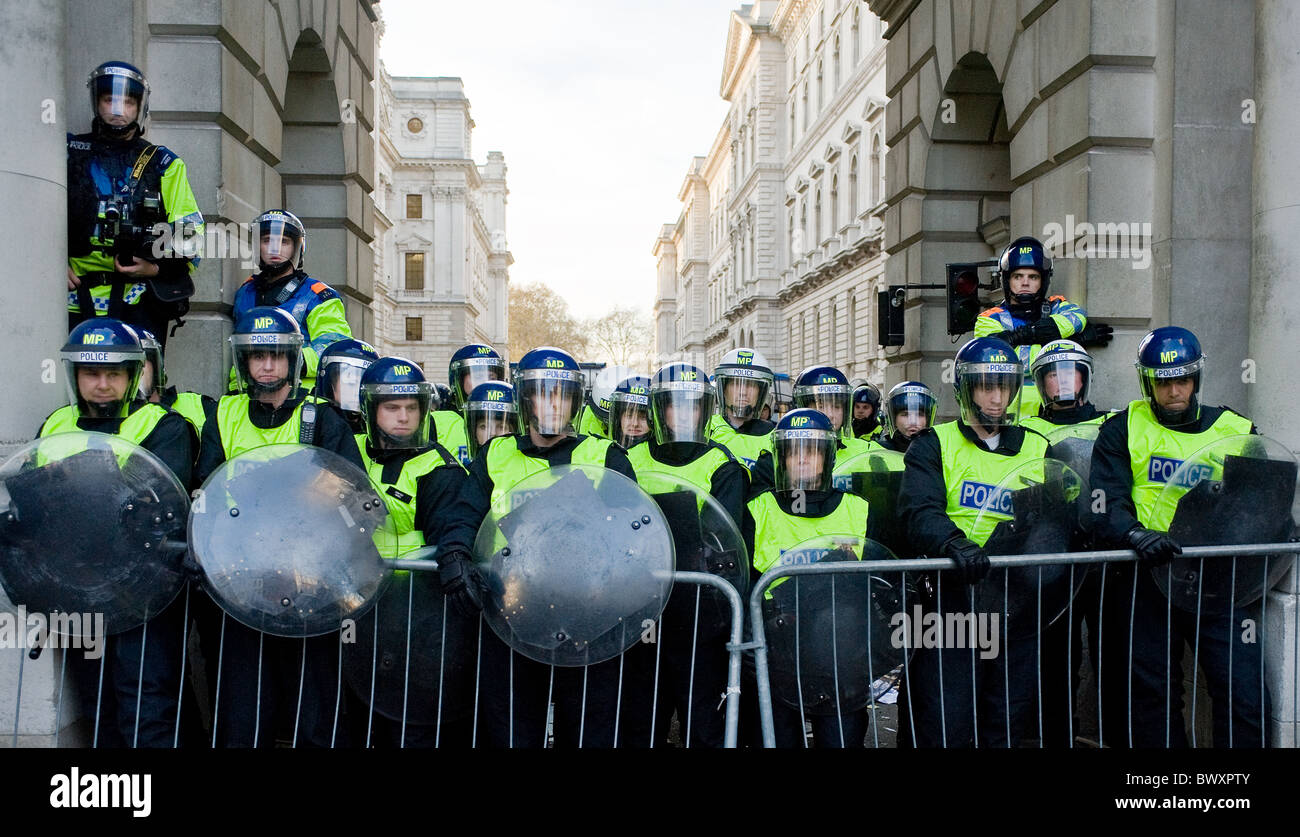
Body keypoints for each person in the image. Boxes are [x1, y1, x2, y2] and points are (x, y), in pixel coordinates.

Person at [194, 306, 364, 747]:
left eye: (276, 355)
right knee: (242, 713)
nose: (267, 364)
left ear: (293, 360)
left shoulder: (323, 418)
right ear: (244, 362)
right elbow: (206, 490)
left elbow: (354, 494)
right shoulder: (224, 414)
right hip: (242, 584)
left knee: (314, 716)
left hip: (313, 583)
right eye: (256, 355)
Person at [1089, 326, 1265, 747]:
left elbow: (1259, 501)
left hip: (1216, 580)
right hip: (1147, 574)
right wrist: (1133, 533)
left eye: (1181, 380)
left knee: (1243, 689)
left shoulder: (1236, 430)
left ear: (1196, 379)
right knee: (1152, 692)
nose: (1173, 391)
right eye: (1163, 381)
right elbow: (1102, 501)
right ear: (1148, 382)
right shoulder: (1122, 428)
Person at [465, 346, 648, 747]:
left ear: (574, 402)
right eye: (542, 393)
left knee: (588, 730)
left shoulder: (605, 456)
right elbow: (464, 515)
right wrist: (456, 556)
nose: (552, 403)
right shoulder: (495, 453)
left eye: (561, 394)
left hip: (589, 617)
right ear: (526, 400)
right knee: (511, 728)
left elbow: (633, 527)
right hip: (509, 612)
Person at [38, 319, 195, 747]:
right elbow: (36, 508)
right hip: (80, 591)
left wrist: (75, 491)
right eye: (92, 373)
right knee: (96, 707)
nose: (103, 384)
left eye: (114, 373)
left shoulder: (163, 426)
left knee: (147, 705)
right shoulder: (55, 424)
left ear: (131, 375)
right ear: (75, 375)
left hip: (143, 593)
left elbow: (152, 506)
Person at [896, 336, 1050, 747]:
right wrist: (954, 543)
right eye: (985, 386)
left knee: (1008, 714)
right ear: (966, 389)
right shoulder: (934, 443)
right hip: (953, 596)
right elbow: (919, 510)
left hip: (1016, 598)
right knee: (948, 713)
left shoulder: (1037, 446)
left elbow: (1053, 516)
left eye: (1003, 385)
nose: (996, 397)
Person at [346, 358, 486, 747]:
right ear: (371, 410)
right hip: (350, 605)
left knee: (409, 721)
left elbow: (444, 536)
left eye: (412, 408)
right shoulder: (348, 448)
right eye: (392, 408)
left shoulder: (439, 466)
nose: (403, 418)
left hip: (409, 611)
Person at [625, 363, 748, 747]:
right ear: (659, 410)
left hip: (699, 614)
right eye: (674, 406)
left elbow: (723, 539)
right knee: (640, 721)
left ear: (704, 410)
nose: (683, 414)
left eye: (692, 406)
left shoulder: (722, 464)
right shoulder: (628, 459)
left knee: (702, 724)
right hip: (640, 609)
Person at [742, 408, 872, 748]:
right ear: (780, 459)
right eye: (792, 452)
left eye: (811, 450)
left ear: (827, 457)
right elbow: (742, 582)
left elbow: (880, 583)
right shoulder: (758, 509)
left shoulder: (858, 508)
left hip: (839, 655)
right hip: (777, 654)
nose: (801, 460)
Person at [67, 61, 202, 348]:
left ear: (140, 107)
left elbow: (192, 236)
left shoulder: (164, 164)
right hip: (71, 299)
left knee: (143, 387)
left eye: (128, 102)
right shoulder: (67, 153)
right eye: (109, 100)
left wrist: (155, 269)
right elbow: (26, 219)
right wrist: (47, 267)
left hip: (139, 301)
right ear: (96, 103)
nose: (118, 110)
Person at [230, 210, 351, 392]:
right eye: (266, 241)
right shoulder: (245, 293)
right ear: (256, 247)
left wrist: (290, 361)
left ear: (297, 248)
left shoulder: (318, 296)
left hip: (300, 397)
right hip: (249, 396)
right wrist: (234, 392)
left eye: (283, 242)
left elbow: (334, 349)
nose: (274, 249)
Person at [975, 236, 1095, 418]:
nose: (1025, 282)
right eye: (1017, 276)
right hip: (1009, 417)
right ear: (1007, 280)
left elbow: (1077, 318)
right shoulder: (989, 319)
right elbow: (1018, 364)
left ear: (1043, 280)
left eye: (1033, 277)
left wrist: (1016, 338)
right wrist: (1064, 341)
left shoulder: (1057, 306)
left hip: (1055, 414)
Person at [138, 328, 216, 441]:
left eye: (139, 363)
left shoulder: (199, 406)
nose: (133, 372)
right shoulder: (111, 422)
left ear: (156, 367)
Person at [708, 348, 776, 475]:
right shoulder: (706, 431)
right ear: (723, 389)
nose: (743, 392)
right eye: (735, 383)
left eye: (751, 385)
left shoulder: (773, 437)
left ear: (760, 392)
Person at [1020, 340, 1109, 435]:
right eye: (1054, 375)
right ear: (1042, 384)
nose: (1063, 380)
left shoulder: (1111, 423)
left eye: (1070, 373)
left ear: (1083, 380)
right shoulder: (1027, 430)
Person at [436, 345, 504, 466]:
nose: (485, 383)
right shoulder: (436, 421)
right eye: (477, 376)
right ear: (459, 380)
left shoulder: (509, 419)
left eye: (491, 377)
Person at [313, 338, 381, 435]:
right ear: (329, 383)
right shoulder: (307, 423)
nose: (356, 393)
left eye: (362, 387)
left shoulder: (378, 433)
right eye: (350, 382)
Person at [872, 381, 937, 454]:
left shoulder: (936, 452)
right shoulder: (878, 450)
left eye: (919, 414)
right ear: (894, 419)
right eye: (905, 414)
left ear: (927, 420)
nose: (913, 422)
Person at [463, 380, 518, 460]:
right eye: (484, 427)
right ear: (474, 433)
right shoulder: (463, 471)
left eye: (501, 427)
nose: (492, 433)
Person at [606, 374, 652, 450]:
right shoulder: (605, 452)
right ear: (619, 417)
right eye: (629, 416)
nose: (635, 424)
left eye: (644, 417)